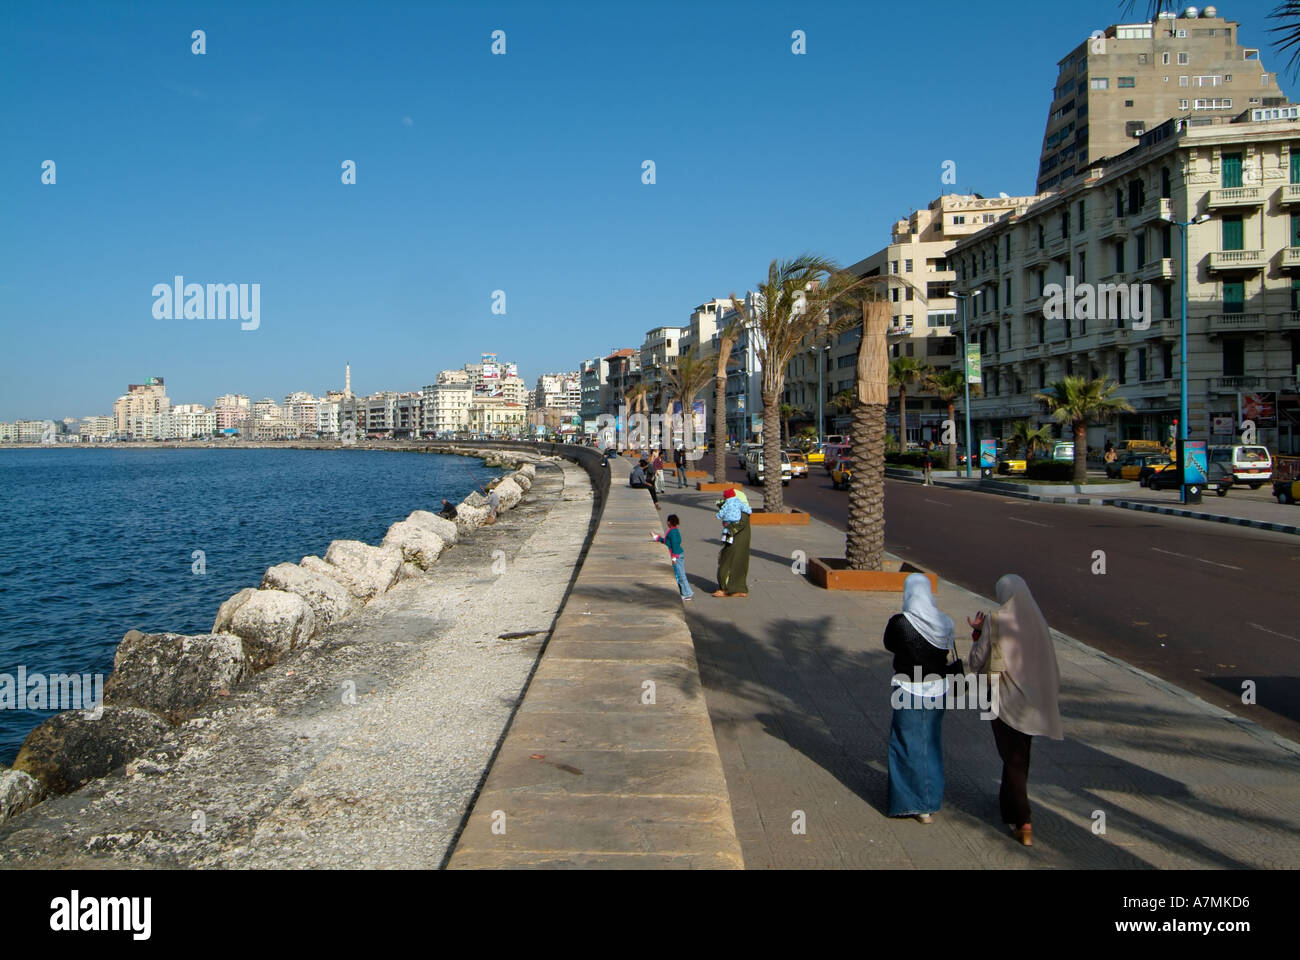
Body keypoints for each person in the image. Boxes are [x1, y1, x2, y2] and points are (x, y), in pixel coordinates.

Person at [967, 574, 1063, 847]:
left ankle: (1024, 821)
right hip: (1033, 701)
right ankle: (1009, 810)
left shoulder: (997, 620)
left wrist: (977, 632)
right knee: (1021, 755)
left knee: (1013, 760)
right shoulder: (1038, 621)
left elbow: (976, 661)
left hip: (1005, 701)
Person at [884, 574, 956, 823]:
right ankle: (930, 801)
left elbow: (889, 645)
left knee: (905, 743)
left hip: (908, 688)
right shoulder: (944, 622)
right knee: (930, 744)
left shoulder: (899, 623)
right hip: (938, 689)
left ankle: (910, 803)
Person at [712, 488, 751, 597]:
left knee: (727, 564)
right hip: (736, 542)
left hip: (736, 542)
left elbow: (738, 524)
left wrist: (729, 528)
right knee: (736, 564)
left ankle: (725, 589)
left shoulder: (742, 512)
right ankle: (737, 589)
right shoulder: (738, 508)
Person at [652, 513, 693, 600]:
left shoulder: (673, 532)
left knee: (681, 574)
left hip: (677, 555)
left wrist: (674, 557)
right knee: (680, 574)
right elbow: (667, 541)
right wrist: (656, 537)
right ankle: (685, 592)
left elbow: (674, 544)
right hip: (678, 554)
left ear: (669, 522)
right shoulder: (674, 530)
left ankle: (687, 593)